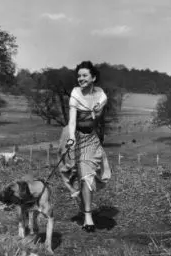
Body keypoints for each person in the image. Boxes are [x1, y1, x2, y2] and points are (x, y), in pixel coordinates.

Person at [59, 61, 111, 233]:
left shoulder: (101, 95)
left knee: (87, 175)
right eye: (79, 75)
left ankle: (87, 216)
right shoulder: (75, 94)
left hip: (90, 139)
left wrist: (98, 109)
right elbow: (72, 120)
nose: (80, 78)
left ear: (93, 77)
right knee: (73, 172)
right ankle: (82, 203)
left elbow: (100, 109)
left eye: (84, 75)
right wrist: (72, 138)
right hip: (73, 136)